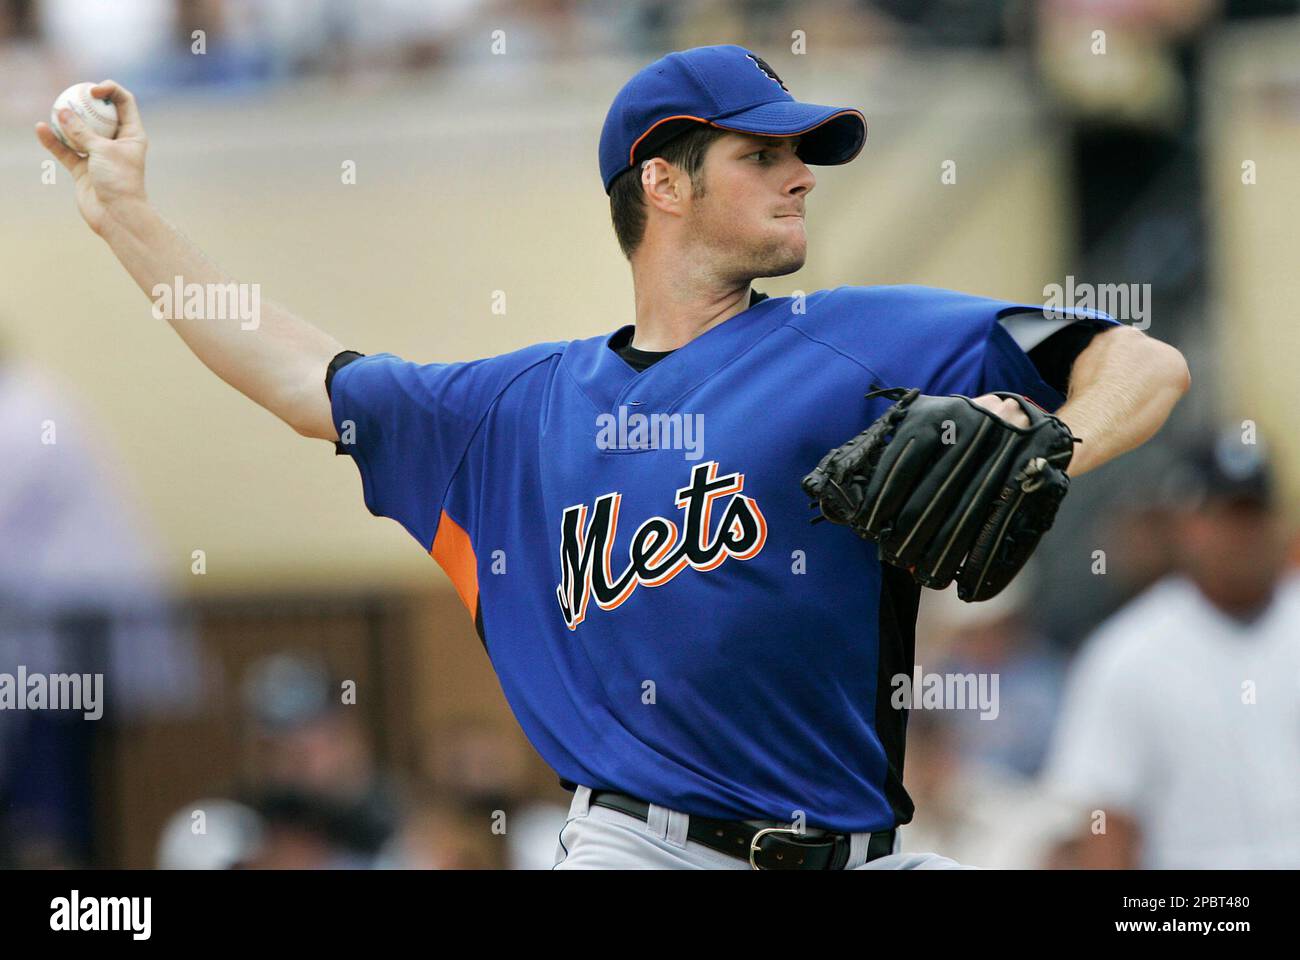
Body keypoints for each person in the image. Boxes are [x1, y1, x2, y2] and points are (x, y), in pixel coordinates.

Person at [38, 44, 1189, 870]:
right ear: (661, 181)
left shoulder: (864, 336)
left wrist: (1051, 439)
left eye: (803, 152)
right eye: (761, 152)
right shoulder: (513, 409)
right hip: (639, 848)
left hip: (865, 848)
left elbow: (1141, 360)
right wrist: (125, 212)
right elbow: (303, 376)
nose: (801, 172)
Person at [1042, 430, 1300, 869]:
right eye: (1222, 518)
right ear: (1186, 527)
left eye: (1251, 517)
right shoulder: (1127, 653)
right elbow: (1107, 819)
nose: (1239, 536)